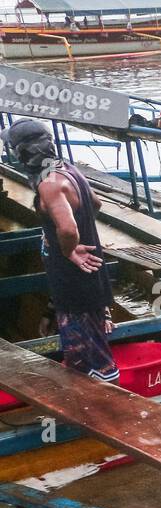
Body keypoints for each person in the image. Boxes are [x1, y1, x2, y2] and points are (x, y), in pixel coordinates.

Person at [1, 120, 118, 384]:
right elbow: (95, 204)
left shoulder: (49, 184)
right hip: (86, 280)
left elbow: (67, 229)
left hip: (76, 281)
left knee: (94, 362)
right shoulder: (68, 170)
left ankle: (112, 414)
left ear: (22, 153)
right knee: (91, 352)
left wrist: (69, 252)